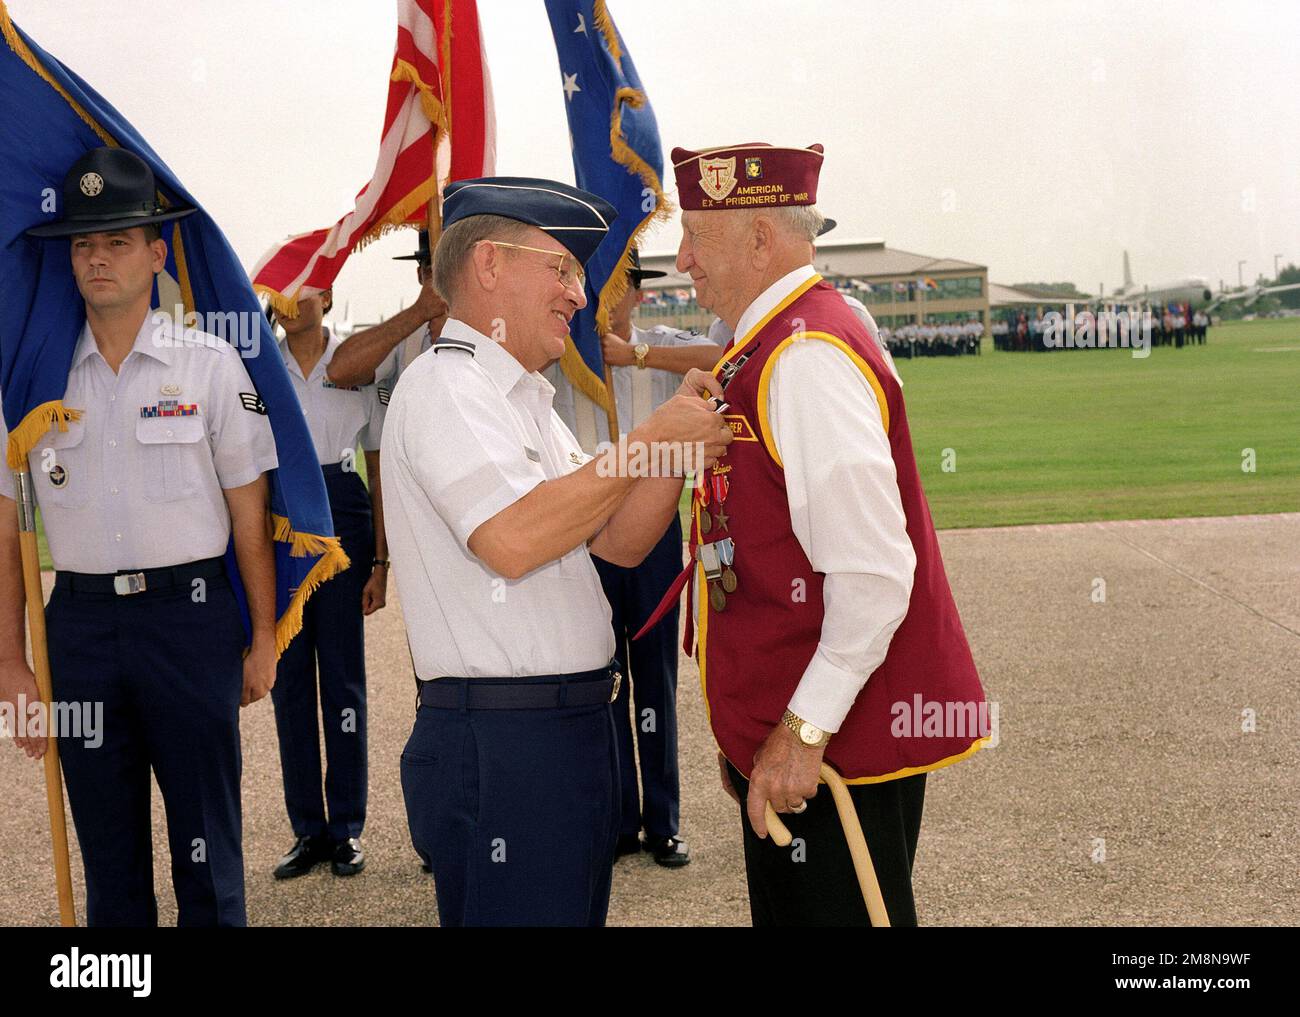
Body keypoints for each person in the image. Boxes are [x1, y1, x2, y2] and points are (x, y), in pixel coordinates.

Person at [381, 176, 732, 926]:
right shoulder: (444, 388)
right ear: (488, 266)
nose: (580, 294)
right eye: (563, 270)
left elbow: (618, 541)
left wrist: (675, 443)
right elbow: (512, 539)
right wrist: (646, 440)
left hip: (567, 733)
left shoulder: (524, 400)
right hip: (505, 743)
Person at [663, 140, 988, 926]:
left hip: (832, 752)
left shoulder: (805, 355)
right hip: (803, 740)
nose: (682, 260)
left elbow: (874, 574)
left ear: (760, 240)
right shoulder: (778, 341)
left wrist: (800, 732)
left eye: (697, 238)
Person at [0, 148, 279, 926]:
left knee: (208, 860)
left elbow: (248, 509)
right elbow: (5, 522)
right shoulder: (32, 381)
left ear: (156, 254)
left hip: (189, 622)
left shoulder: (210, 365)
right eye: (84, 244)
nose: (97, 258)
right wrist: (11, 662)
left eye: (117, 240)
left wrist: (262, 632)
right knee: (110, 868)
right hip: (81, 630)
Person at [554, 249, 722, 868]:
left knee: (654, 679)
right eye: (598, 286)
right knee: (603, 680)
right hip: (586, 532)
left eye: (619, 288)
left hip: (650, 533)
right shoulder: (561, 357)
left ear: (638, 296)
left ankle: (664, 821)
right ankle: (620, 819)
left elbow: (723, 358)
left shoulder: (663, 347)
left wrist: (636, 356)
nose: (606, 299)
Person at [267, 289, 388, 879]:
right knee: (288, 682)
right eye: (284, 292)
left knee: (342, 678)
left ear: (331, 295)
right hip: (283, 514)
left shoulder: (358, 362)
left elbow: (378, 459)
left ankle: (346, 827)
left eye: (307, 290)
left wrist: (382, 561)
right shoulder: (258, 362)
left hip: (343, 506)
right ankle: (307, 830)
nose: (293, 302)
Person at [326, 229, 449, 389]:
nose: (443, 279)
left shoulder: (488, 326)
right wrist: (419, 312)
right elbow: (339, 371)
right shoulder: (408, 336)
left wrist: (452, 334)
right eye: (431, 271)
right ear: (420, 275)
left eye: (451, 269)